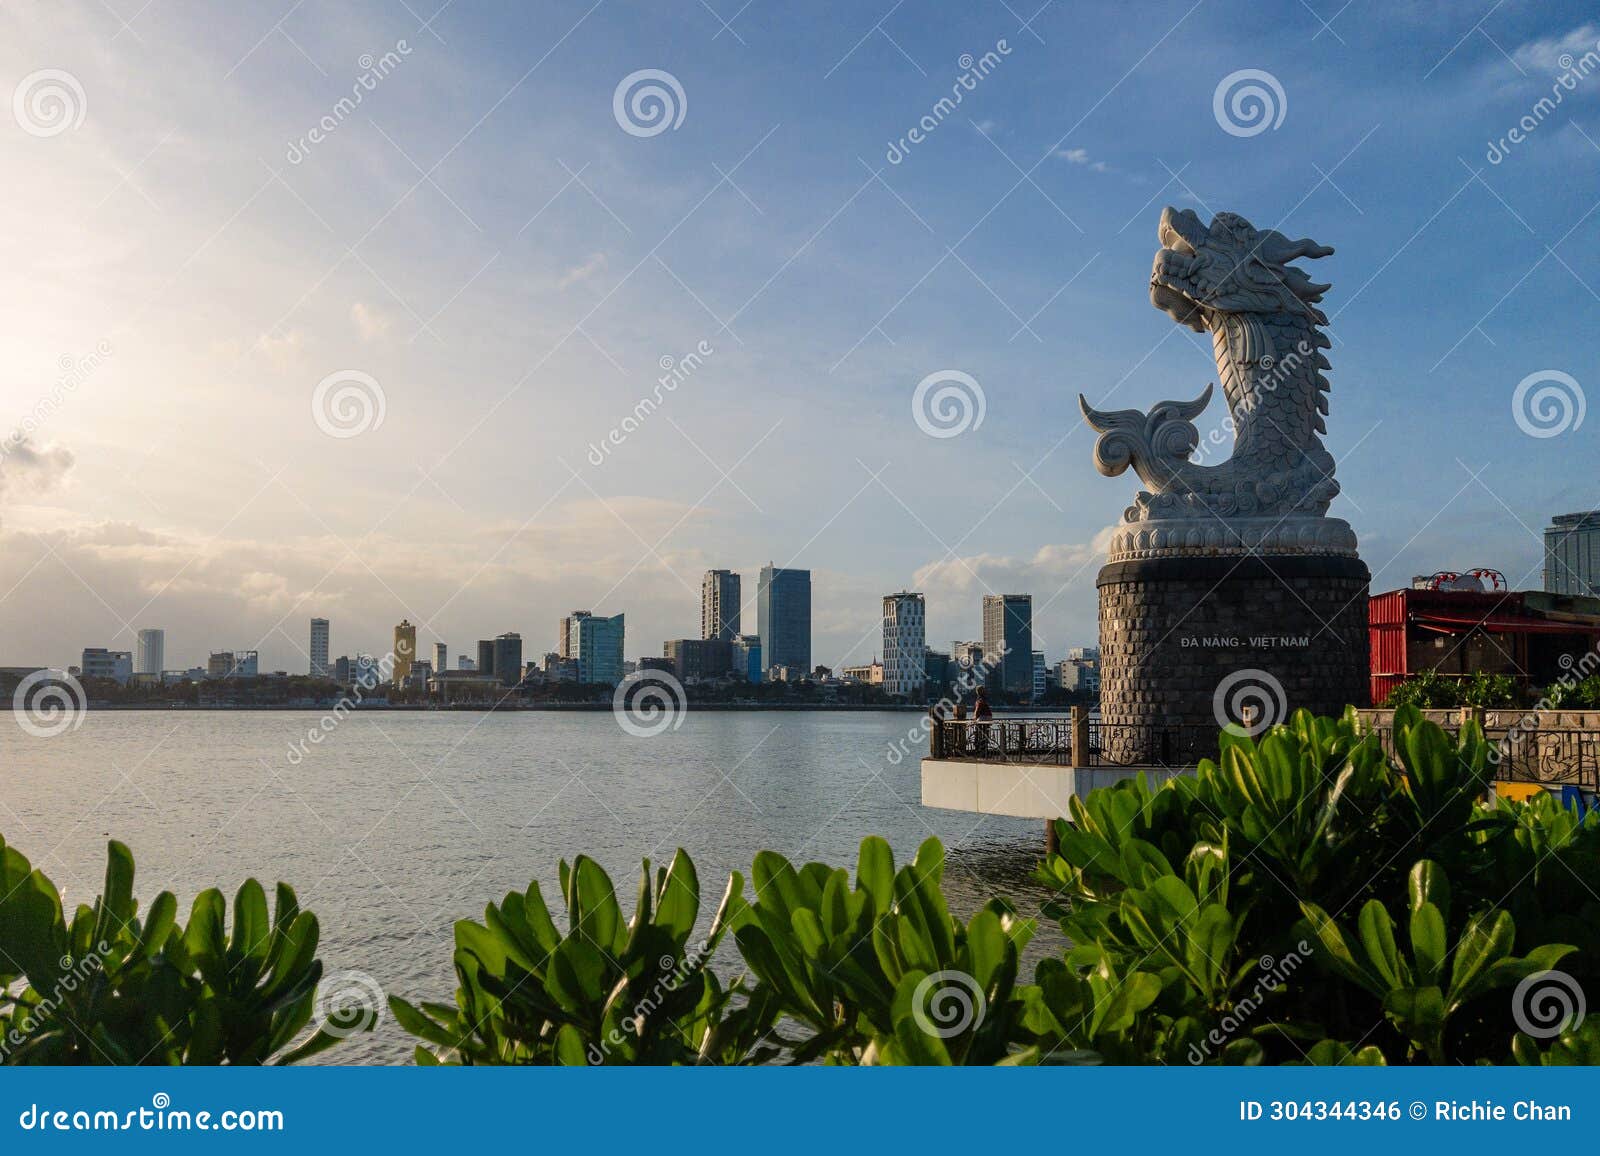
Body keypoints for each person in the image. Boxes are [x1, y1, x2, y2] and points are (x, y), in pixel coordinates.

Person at [973, 688, 992, 754]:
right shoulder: (984, 698)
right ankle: (984, 748)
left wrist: (975, 718)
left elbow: (978, 709)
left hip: (983, 717)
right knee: (984, 732)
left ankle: (978, 747)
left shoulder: (980, 699)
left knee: (978, 732)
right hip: (988, 717)